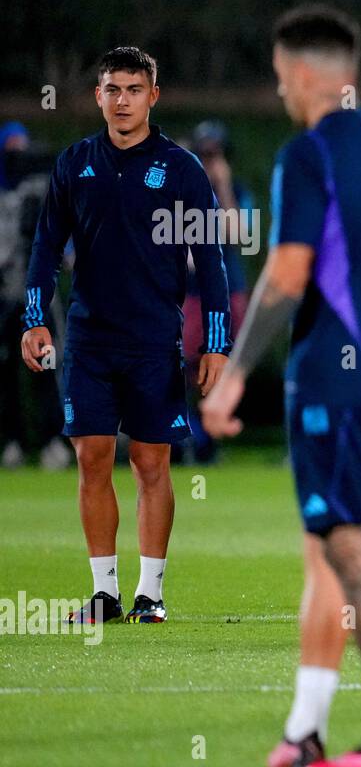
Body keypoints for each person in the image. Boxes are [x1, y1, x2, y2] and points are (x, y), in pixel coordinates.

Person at [201, 5, 361, 767]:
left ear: (309, 74)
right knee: (326, 552)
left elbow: (287, 272)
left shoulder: (307, 154)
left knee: (349, 550)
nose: (280, 90)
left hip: (334, 386)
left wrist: (236, 373)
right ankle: (304, 726)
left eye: (282, 76)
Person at [20, 47, 232, 626]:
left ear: (153, 96)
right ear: (98, 96)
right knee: (91, 457)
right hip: (89, 339)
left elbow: (210, 259)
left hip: (153, 341)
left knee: (149, 462)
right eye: (112, 89)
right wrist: (33, 317)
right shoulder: (74, 164)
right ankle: (104, 594)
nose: (122, 100)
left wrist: (216, 342)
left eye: (134, 89)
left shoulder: (182, 168)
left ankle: (151, 593)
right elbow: (44, 249)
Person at [181, 120, 252, 464]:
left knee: (221, 366)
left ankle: (209, 442)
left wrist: (222, 188)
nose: (209, 161)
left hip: (226, 295)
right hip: (192, 296)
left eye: (215, 154)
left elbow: (240, 236)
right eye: (203, 154)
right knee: (184, 367)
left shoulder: (236, 191)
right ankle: (188, 438)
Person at [1, 122, 70, 470]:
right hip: (5, 294)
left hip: (39, 299)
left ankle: (51, 441)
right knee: (6, 370)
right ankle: (11, 442)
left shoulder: (43, 191)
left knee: (46, 365)